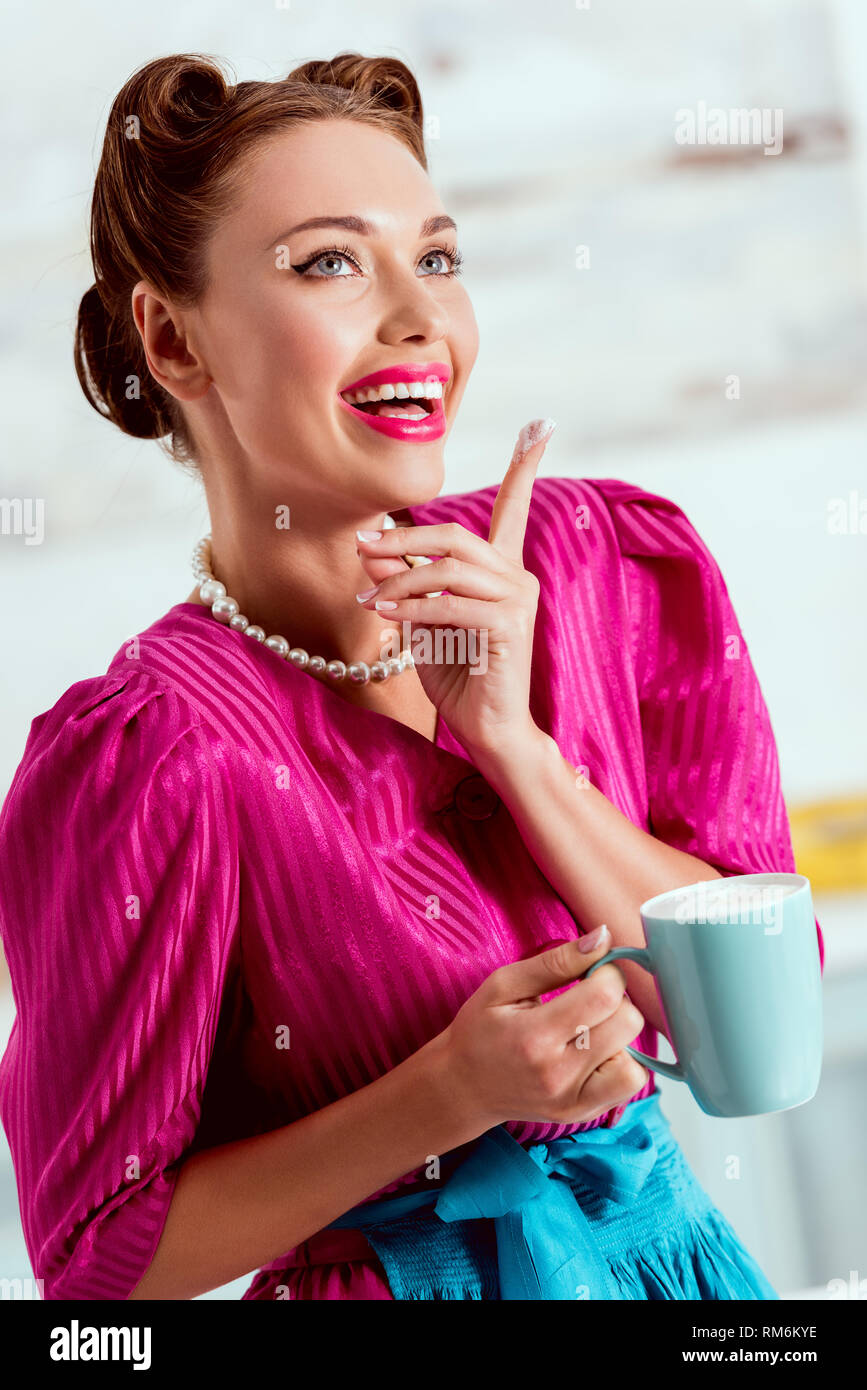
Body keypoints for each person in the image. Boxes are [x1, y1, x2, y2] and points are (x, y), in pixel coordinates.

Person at [0, 52, 824, 1301]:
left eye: (436, 257)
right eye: (330, 262)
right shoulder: (154, 754)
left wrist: (520, 751)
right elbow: (96, 1265)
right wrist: (445, 1094)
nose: (421, 319)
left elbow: (763, 1029)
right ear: (172, 340)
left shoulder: (604, 565)